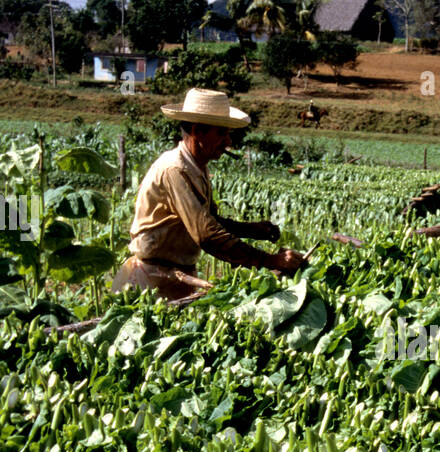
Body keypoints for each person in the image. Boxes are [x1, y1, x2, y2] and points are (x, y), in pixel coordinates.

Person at [111, 88, 307, 300]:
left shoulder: (197, 167)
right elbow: (207, 235)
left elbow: (210, 220)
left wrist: (252, 229)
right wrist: (270, 261)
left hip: (173, 275)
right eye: (222, 133)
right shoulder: (175, 169)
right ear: (198, 131)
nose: (228, 142)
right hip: (152, 282)